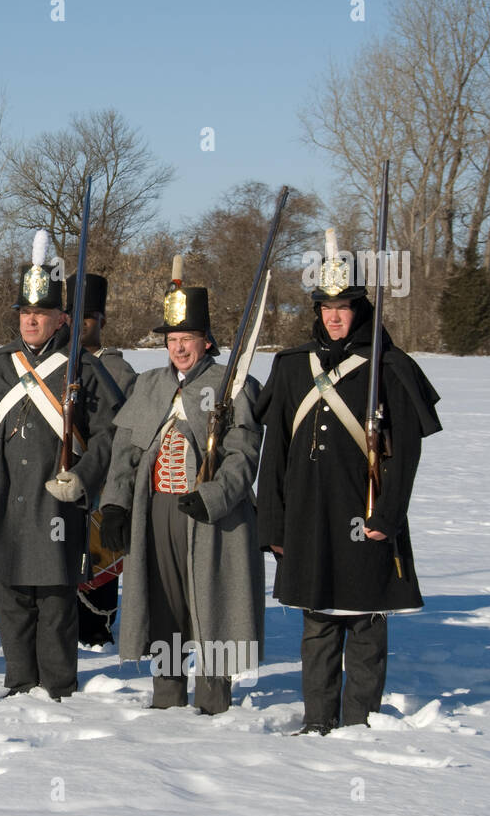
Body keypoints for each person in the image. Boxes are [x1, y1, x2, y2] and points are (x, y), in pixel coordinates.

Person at [256, 232, 441, 733]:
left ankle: (361, 724)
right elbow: (275, 455)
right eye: (326, 307)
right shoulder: (292, 367)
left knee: (364, 621)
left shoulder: (388, 366)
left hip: (365, 514)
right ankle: (318, 720)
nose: (334, 316)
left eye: (344, 307)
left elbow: (405, 454)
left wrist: (388, 516)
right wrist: (273, 523)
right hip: (308, 516)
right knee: (316, 624)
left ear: (359, 309)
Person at [0, 232, 121, 700]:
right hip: (5, 493)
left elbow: (111, 434)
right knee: (10, 596)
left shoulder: (84, 370)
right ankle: (19, 680)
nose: (31, 321)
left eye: (41, 314)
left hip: (56, 496)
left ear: (61, 319)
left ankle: (57, 685)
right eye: (25, 313)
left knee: (54, 598)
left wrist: (85, 477)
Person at [97, 279, 263, 714]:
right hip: (155, 512)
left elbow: (243, 454)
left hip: (212, 515)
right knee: (164, 602)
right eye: (172, 340)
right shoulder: (149, 385)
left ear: (206, 341)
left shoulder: (233, 384)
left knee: (212, 602)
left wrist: (214, 495)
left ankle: (214, 702)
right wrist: (115, 503)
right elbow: (126, 452)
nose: (179, 348)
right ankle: (167, 697)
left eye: (187, 339)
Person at [67, 272, 137, 647]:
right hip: (62, 486)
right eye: (73, 317)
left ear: (102, 321)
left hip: (103, 488)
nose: (80, 325)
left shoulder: (120, 371)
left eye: (88, 317)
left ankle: (97, 638)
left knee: (100, 571)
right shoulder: (55, 365)